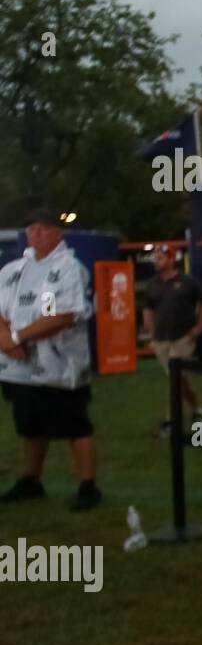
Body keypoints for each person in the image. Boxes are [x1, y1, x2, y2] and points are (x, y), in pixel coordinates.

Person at [0, 207, 101, 511]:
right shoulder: (12, 269)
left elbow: (65, 315)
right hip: (18, 366)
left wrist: (18, 337)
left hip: (61, 365)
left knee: (74, 425)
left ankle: (87, 485)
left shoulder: (70, 268)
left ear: (59, 233)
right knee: (30, 423)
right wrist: (6, 339)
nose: (37, 233)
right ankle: (31, 479)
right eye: (32, 228)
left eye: (45, 228)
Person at [141, 244, 202, 436]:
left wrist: (199, 327)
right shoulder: (152, 285)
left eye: (160, 257)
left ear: (172, 260)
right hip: (162, 339)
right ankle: (198, 411)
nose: (156, 261)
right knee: (181, 380)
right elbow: (147, 308)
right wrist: (152, 334)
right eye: (155, 258)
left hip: (183, 338)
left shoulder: (188, 282)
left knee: (176, 379)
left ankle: (171, 422)